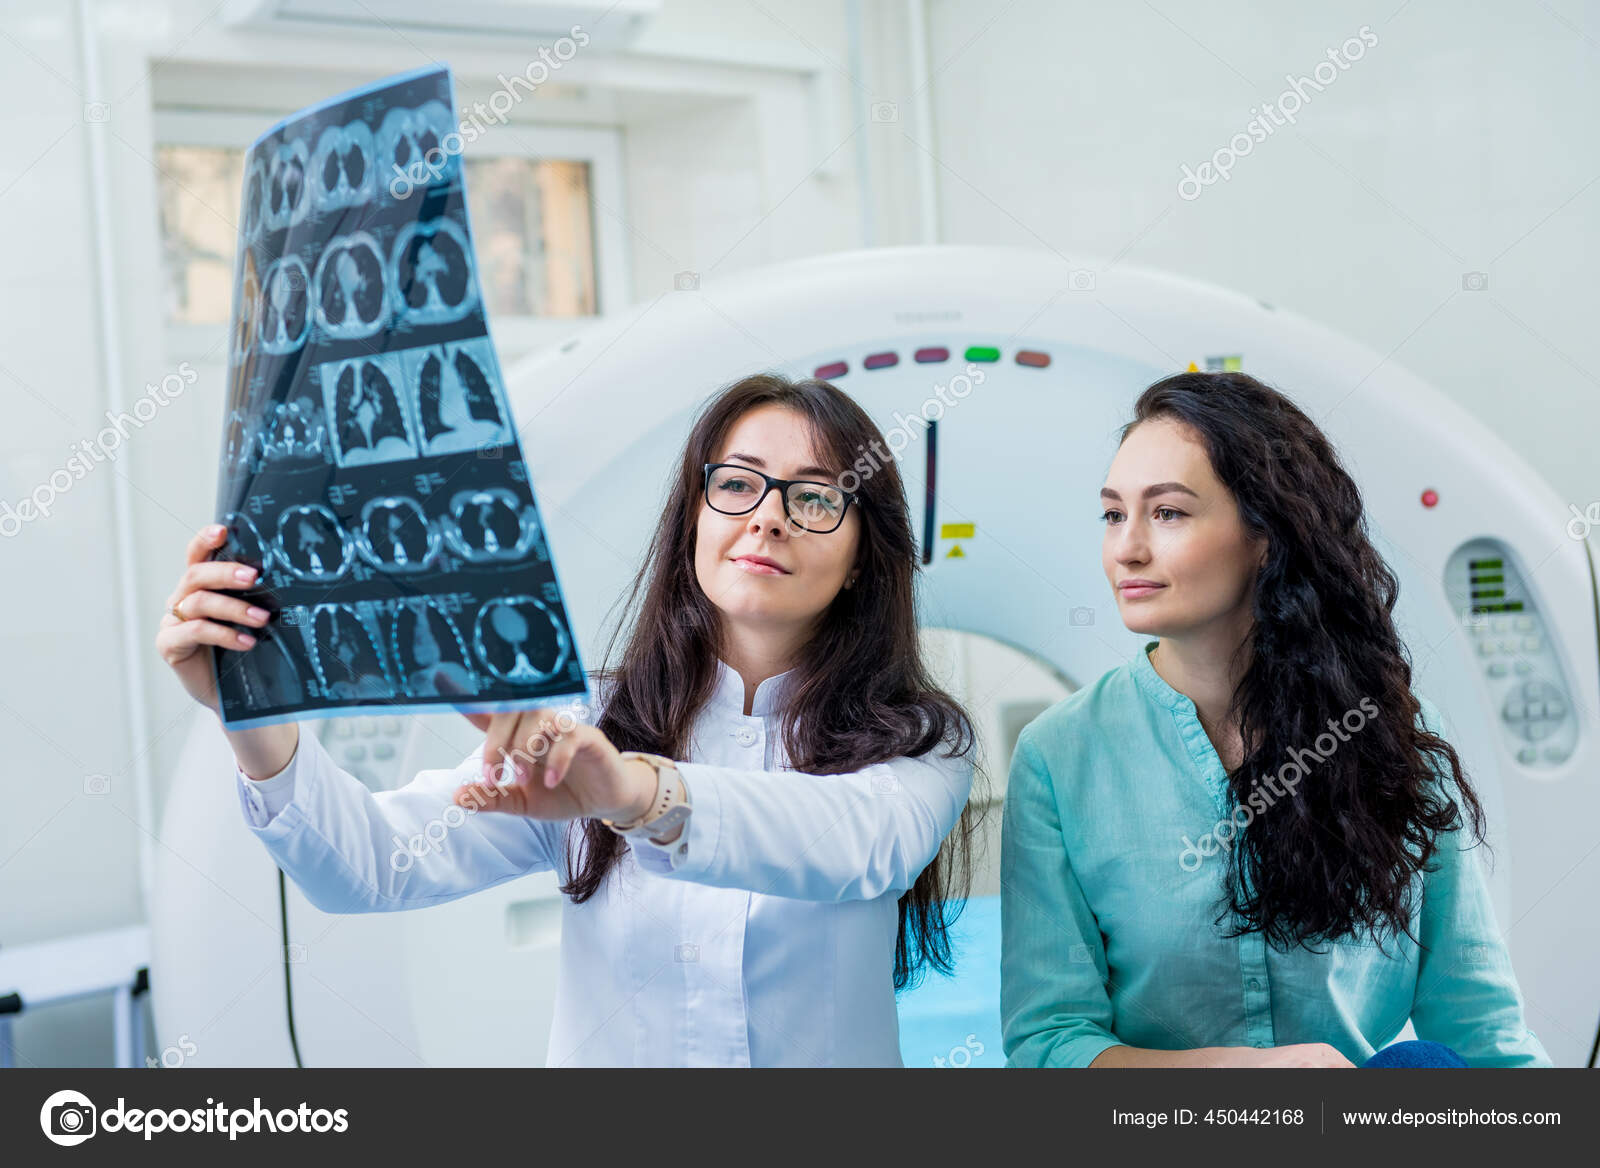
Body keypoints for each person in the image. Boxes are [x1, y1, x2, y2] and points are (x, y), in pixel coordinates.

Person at [157, 373, 980, 1067]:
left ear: (864, 555)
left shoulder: (922, 741)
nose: (767, 516)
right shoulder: (588, 721)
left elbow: (857, 846)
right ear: (695, 516)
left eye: (814, 497)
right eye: (737, 482)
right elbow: (370, 866)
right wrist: (245, 709)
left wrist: (634, 793)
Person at [1000, 370, 1550, 1068]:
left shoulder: (1390, 736)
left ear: (1265, 534)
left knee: (1427, 1071)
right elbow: (1047, 1045)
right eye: (1114, 514)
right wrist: (1247, 1077)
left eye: (1166, 513)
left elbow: (1482, 1027)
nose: (1127, 548)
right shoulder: (1060, 756)